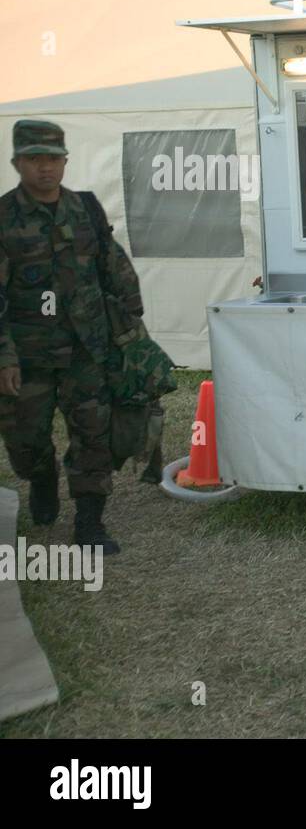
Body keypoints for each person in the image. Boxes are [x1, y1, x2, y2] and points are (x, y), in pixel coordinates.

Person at [0, 120, 143, 553]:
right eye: (34, 159)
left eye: (53, 159)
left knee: (93, 436)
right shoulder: (4, 217)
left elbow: (114, 268)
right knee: (26, 442)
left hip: (87, 348)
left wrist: (133, 335)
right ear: (17, 163)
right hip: (28, 356)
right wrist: (5, 356)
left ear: (65, 162)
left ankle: (90, 523)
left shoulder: (86, 208)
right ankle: (41, 478)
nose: (45, 168)